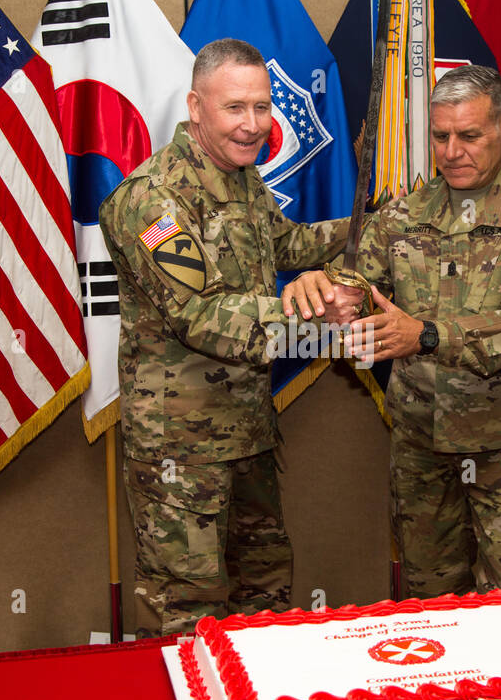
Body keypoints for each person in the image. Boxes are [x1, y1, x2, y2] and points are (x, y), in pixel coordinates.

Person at [283, 65, 501, 597]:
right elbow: (355, 285)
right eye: (440, 136)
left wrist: (426, 335)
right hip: (421, 443)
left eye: (470, 135)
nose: (453, 150)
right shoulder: (401, 215)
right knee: (429, 601)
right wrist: (327, 294)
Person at [99, 39, 347, 637]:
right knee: (188, 615)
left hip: (246, 433)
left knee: (264, 604)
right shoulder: (152, 202)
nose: (254, 125)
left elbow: (283, 244)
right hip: (182, 452)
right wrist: (315, 308)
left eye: (263, 108)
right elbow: (200, 316)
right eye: (235, 108)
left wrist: (368, 228)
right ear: (195, 107)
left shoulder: (240, 179)